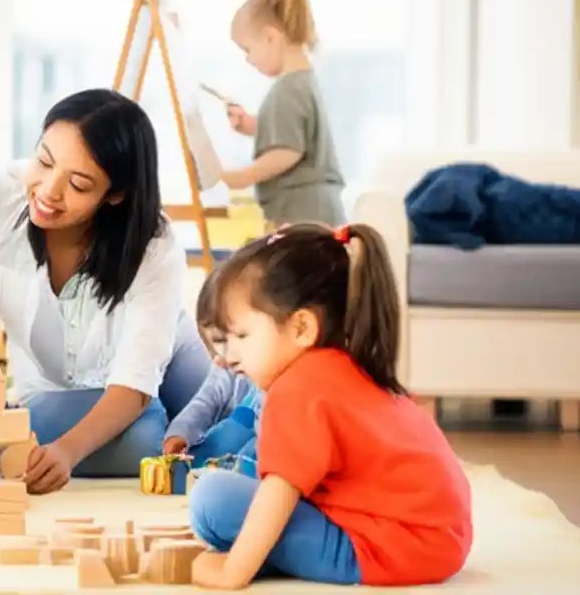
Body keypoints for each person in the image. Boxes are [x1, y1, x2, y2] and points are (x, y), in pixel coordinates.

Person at [0, 88, 213, 494]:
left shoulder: (152, 243)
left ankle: (170, 434)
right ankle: (163, 435)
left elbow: (134, 384)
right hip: (56, 391)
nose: (48, 191)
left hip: (162, 370)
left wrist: (68, 453)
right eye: (44, 160)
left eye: (77, 184)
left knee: (197, 433)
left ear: (115, 195)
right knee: (120, 438)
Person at [189, 223, 472, 589]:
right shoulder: (346, 366)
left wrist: (232, 573)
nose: (228, 356)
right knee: (241, 486)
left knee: (213, 500)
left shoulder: (299, 386)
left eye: (241, 336)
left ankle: (268, 557)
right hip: (440, 543)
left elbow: (280, 490)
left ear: (302, 327)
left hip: (389, 549)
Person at [219, 0, 346, 227]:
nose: (248, 59)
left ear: (270, 37)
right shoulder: (303, 81)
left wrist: (241, 177)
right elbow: (297, 133)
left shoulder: (287, 89)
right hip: (317, 210)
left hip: (305, 214)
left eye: (248, 49)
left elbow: (288, 151)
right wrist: (255, 126)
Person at [161, 264, 262, 475]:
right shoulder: (225, 367)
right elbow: (205, 402)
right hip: (222, 448)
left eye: (240, 338)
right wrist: (180, 433)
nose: (226, 357)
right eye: (218, 343)